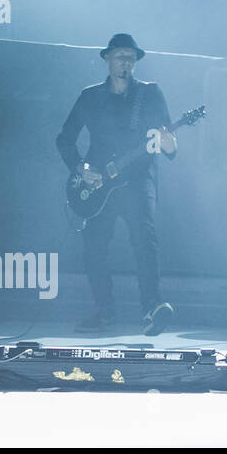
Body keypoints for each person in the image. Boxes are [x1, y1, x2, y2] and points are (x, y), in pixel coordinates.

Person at [56, 33, 177, 336]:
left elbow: (169, 145)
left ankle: (152, 308)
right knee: (94, 248)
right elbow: (65, 139)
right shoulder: (90, 96)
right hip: (99, 183)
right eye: (121, 56)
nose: (126, 62)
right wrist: (81, 169)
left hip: (138, 179)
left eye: (131, 58)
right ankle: (104, 311)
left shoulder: (149, 94)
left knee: (145, 240)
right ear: (107, 58)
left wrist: (168, 143)